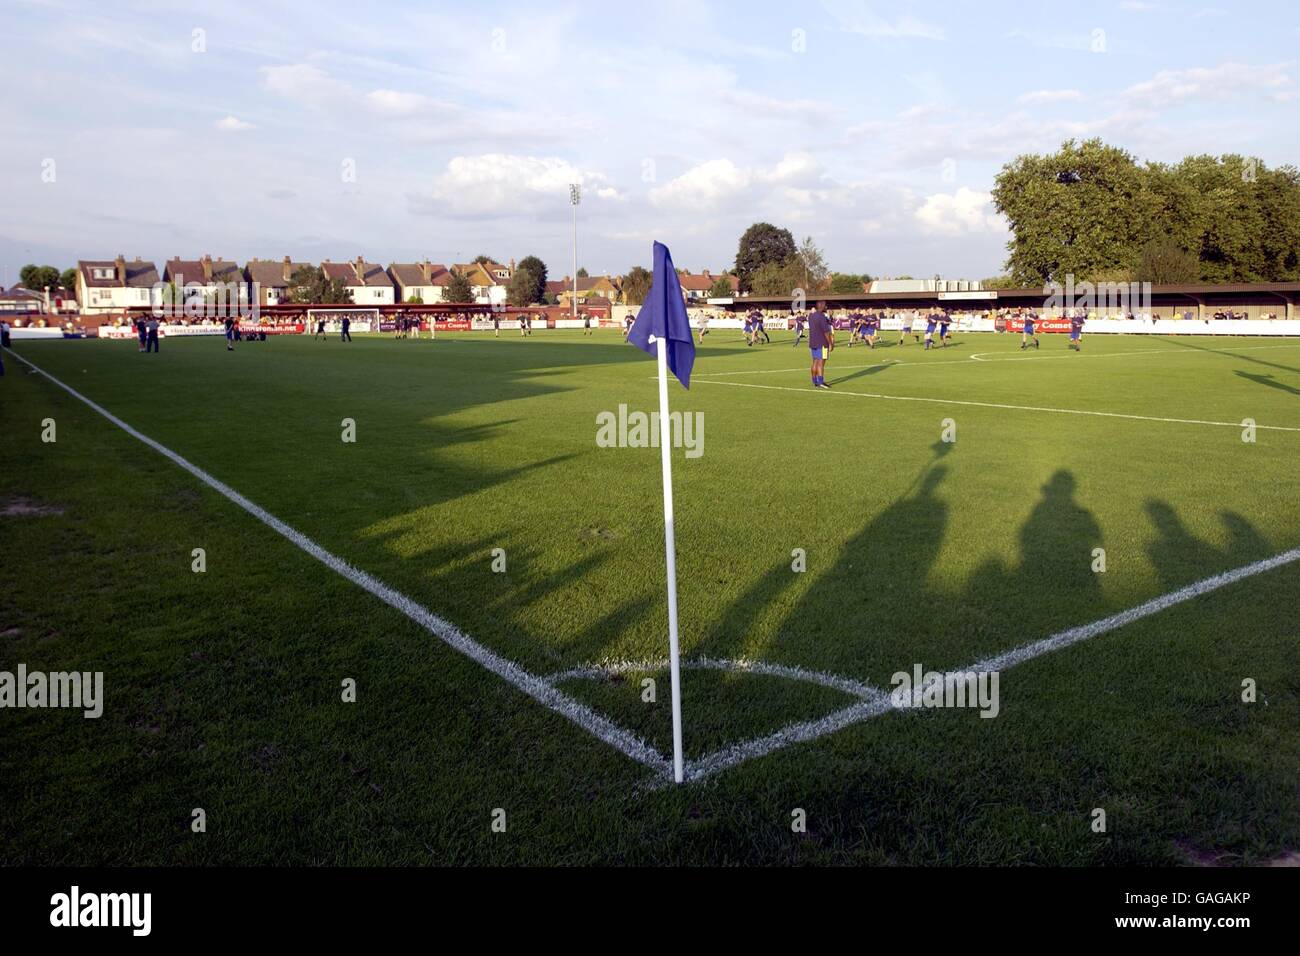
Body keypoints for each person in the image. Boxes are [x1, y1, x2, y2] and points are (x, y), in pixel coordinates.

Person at [808, 300, 834, 389]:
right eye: (825, 305)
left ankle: (814, 381)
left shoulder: (811, 316)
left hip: (813, 342)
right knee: (821, 363)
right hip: (822, 343)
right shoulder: (822, 317)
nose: (826, 307)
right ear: (822, 306)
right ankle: (821, 382)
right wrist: (830, 343)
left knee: (815, 361)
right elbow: (826, 332)